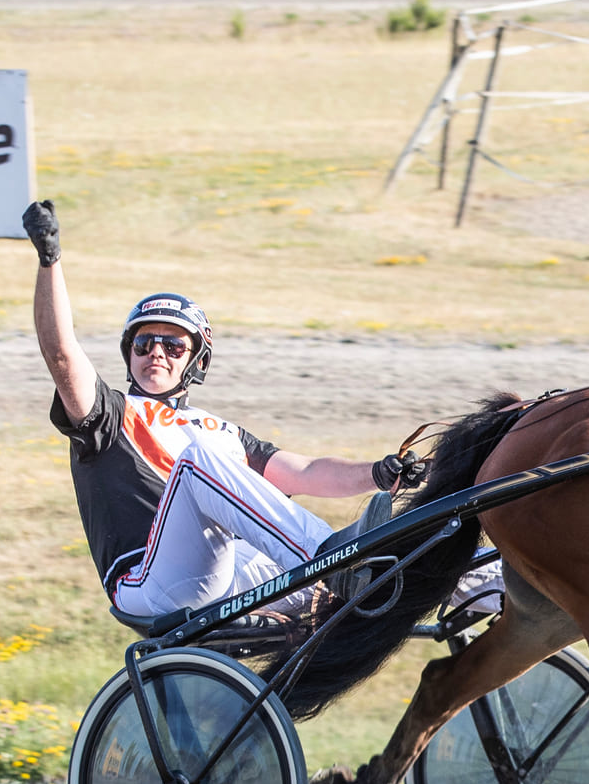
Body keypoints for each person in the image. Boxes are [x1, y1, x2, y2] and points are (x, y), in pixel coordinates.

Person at [22, 200, 427, 620]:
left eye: (173, 345)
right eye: (144, 344)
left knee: (392, 561)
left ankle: (481, 586)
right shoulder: (108, 415)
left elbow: (303, 473)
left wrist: (379, 474)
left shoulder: (222, 431)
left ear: (195, 361)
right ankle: (330, 556)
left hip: (230, 571)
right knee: (199, 463)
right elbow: (62, 355)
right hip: (149, 583)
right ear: (130, 355)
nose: (156, 353)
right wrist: (50, 260)